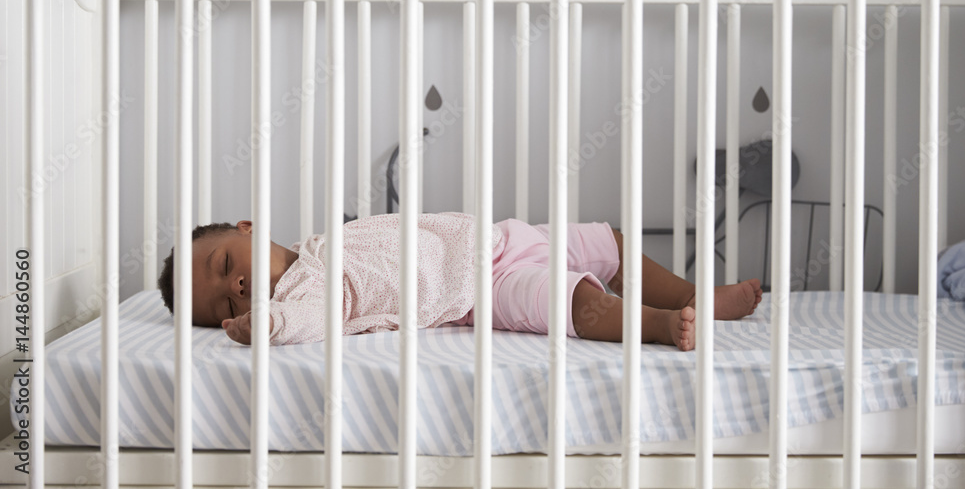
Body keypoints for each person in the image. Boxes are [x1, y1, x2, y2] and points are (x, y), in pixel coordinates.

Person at [157, 212, 762, 350]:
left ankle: (692, 295)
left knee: (610, 241)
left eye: (226, 265)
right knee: (575, 299)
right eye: (221, 307)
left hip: (499, 238)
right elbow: (316, 321)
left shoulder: (323, 242)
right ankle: (659, 325)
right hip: (479, 292)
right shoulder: (305, 294)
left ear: (248, 226)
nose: (235, 285)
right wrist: (265, 323)